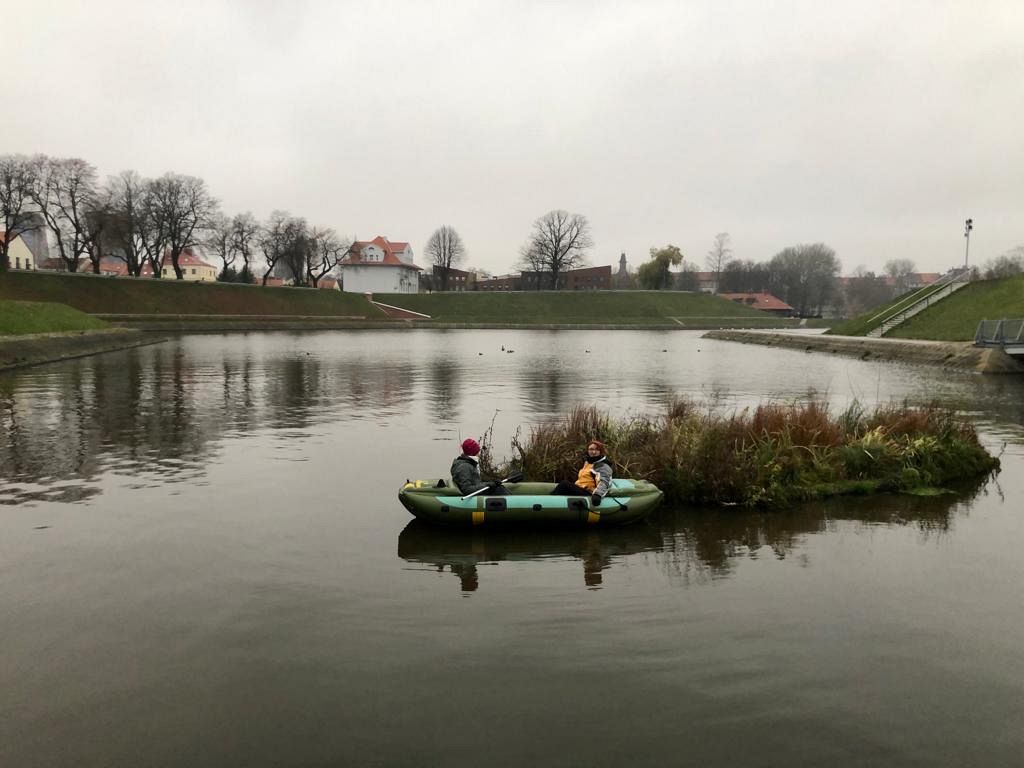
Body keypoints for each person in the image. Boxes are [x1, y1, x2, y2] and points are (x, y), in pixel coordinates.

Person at [550, 439, 613, 506]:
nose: (594, 452)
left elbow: (604, 482)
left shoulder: (603, 465)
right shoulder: (588, 463)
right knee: (564, 485)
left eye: (597, 450)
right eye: (591, 449)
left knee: (564, 484)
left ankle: (549, 503)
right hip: (581, 489)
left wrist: (597, 495)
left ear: (601, 451)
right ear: (588, 451)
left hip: (590, 493)